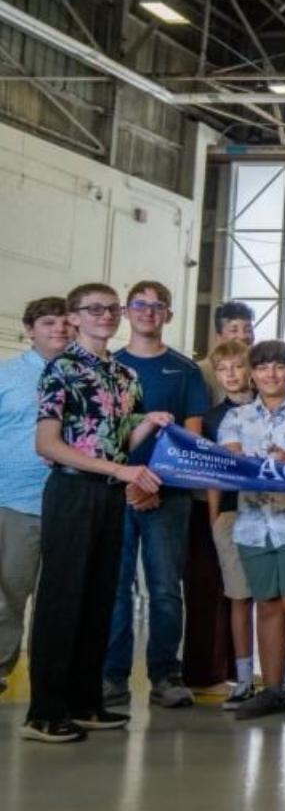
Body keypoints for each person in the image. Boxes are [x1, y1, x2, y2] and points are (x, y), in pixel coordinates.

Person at [25, 283, 171, 743]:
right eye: (94, 309)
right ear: (74, 317)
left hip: (110, 494)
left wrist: (149, 424)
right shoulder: (61, 369)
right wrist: (119, 470)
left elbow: (121, 441)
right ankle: (44, 712)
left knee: (99, 599)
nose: (105, 316)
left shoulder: (125, 375)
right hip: (72, 491)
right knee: (62, 599)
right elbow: (48, 444)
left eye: (112, 309)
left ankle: (84, 702)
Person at [105, 281, 208, 710]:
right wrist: (128, 481)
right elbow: (100, 437)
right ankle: (111, 676)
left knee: (165, 588)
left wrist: (154, 484)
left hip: (168, 496)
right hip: (114, 493)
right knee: (115, 588)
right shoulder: (108, 366)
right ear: (127, 312)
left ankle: (166, 675)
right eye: (140, 304)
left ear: (168, 314)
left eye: (157, 305)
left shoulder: (185, 371)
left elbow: (192, 439)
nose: (148, 312)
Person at [218, 341, 285, 722]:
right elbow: (230, 460)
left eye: (279, 367)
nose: (271, 374)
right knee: (267, 605)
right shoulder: (235, 418)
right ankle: (273, 689)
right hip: (252, 525)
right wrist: (257, 464)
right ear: (252, 374)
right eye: (263, 367)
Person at [0, 296, 67, 697]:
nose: (58, 329)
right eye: (48, 323)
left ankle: (50, 681)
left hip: (69, 502)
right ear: (29, 330)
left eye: (64, 322)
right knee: (9, 592)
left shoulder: (84, 376)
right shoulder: (7, 375)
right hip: (14, 501)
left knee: (57, 601)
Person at [200, 340, 258, 709]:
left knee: (277, 599)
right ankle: (243, 676)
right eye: (223, 369)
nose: (231, 374)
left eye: (238, 366)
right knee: (238, 596)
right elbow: (213, 473)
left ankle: (278, 677)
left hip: (275, 510)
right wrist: (214, 516)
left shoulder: (270, 408)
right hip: (232, 512)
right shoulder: (212, 419)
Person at [198, 301, 255, 404]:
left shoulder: (259, 368)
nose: (242, 336)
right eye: (234, 330)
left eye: (248, 330)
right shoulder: (201, 371)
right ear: (218, 337)